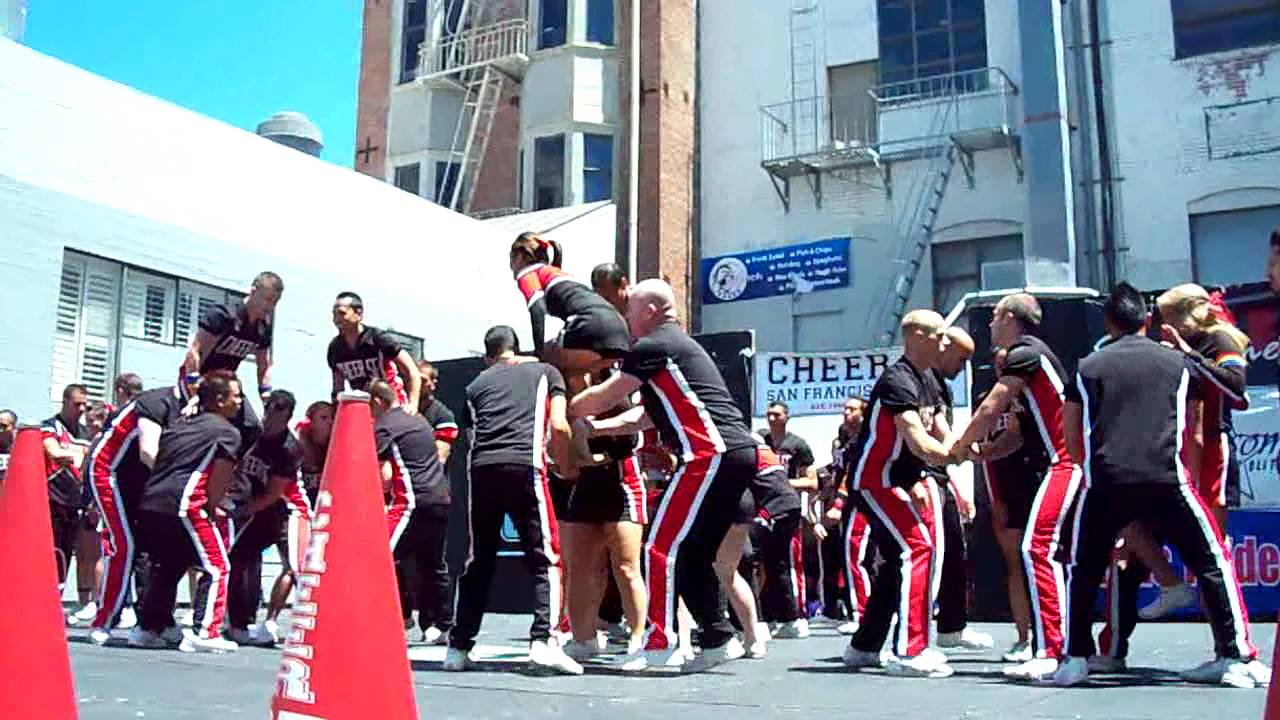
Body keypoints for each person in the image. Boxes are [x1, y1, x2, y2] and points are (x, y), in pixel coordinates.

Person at [1050, 283, 1269, 689]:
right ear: (1147, 321)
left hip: (1107, 480)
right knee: (1212, 562)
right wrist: (1183, 474)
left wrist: (1093, 470)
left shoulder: (1087, 366)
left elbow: (1072, 434)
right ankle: (1235, 657)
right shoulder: (1178, 365)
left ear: (1108, 323)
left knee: (1083, 567)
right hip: (1167, 478)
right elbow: (1191, 430)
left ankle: (1075, 659)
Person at [571, 279, 760, 673]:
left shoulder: (653, 346)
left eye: (631, 312)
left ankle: (661, 643)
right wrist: (598, 429)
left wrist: (569, 405)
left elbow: (606, 396)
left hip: (709, 454)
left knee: (660, 547)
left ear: (651, 311)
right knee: (693, 553)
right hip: (732, 453)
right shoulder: (673, 351)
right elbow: (644, 415)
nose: (627, 319)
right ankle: (716, 638)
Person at [949, 293, 1077, 682]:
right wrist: (982, 452)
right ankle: (1063, 645)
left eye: (993, 318)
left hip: (1065, 462)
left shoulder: (1025, 352)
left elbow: (991, 407)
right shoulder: (1032, 358)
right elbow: (1017, 436)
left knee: (1036, 550)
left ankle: (1052, 650)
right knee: (1048, 556)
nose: (989, 325)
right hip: (1054, 464)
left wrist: (955, 448)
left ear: (1008, 317)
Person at [445, 326, 580, 675]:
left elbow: (471, 435)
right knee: (545, 558)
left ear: (489, 356)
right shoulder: (546, 373)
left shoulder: (475, 385)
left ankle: (457, 648)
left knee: (478, 560)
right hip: (525, 464)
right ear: (517, 350)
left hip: (482, 470)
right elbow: (560, 426)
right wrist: (566, 467)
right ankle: (543, 642)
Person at [840, 310, 954, 679]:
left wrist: (968, 448)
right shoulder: (897, 380)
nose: (945, 342)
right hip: (874, 481)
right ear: (918, 336)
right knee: (917, 548)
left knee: (894, 565)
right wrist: (958, 454)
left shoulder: (930, 378)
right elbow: (918, 441)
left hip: (896, 480)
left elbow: (941, 431)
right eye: (939, 335)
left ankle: (863, 646)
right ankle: (910, 650)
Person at [133, 371, 243, 653]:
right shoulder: (227, 432)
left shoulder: (180, 424)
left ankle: (147, 629)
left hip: (152, 502)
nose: (240, 402)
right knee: (218, 566)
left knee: (170, 566)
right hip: (185, 503)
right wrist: (211, 506)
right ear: (220, 400)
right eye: (236, 395)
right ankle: (205, 632)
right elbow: (218, 480)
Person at [84, 380, 184, 645]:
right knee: (125, 546)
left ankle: (156, 619)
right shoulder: (157, 403)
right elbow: (148, 452)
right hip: (110, 472)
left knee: (158, 548)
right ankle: (104, 619)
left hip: (142, 479)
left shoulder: (197, 411)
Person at [371, 379, 454, 646]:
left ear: (376, 402)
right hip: (439, 498)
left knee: (380, 557)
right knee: (434, 565)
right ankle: (443, 626)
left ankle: (393, 619)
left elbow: (383, 476)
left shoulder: (384, 426)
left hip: (409, 501)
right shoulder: (419, 421)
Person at [928, 327, 993, 653]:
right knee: (926, 556)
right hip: (917, 478)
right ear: (943, 346)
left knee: (954, 550)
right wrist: (964, 446)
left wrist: (959, 488)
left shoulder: (941, 384)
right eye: (961, 358)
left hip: (939, 476)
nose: (962, 366)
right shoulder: (923, 379)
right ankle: (905, 637)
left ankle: (952, 628)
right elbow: (938, 428)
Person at [225, 390, 304, 648]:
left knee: (293, 565)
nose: (270, 419)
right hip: (244, 504)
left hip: (277, 510)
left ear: (288, 417)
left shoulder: (289, 449)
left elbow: (274, 493)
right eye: (268, 412)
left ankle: (265, 620)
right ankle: (236, 621)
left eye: (277, 415)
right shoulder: (253, 436)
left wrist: (246, 509)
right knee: (239, 559)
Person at [972, 351, 1036, 664]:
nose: (1002, 367)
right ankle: (1024, 637)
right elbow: (985, 446)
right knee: (1015, 563)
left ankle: (1056, 636)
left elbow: (1017, 438)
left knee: (1047, 561)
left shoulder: (1035, 397)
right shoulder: (988, 400)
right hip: (1006, 489)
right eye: (998, 362)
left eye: (1007, 362)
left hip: (1038, 481)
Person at [178, 272, 282, 435]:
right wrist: (194, 392)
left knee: (251, 429)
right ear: (253, 292)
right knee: (198, 426)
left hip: (225, 384)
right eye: (267, 299)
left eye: (275, 302)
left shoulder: (262, 328)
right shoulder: (223, 316)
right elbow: (195, 352)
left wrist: (266, 398)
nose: (270, 306)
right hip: (198, 380)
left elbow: (264, 365)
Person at [755, 401, 814, 639]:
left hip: (785, 506)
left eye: (776, 414)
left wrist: (781, 482)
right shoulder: (761, 440)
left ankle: (795, 615)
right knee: (764, 563)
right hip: (763, 508)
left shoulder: (797, 445)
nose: (771, 418)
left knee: (785, 562)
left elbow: (812, 481)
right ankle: (769, 616)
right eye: (768, 414)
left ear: (787, 417)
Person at [819, 398, 869, 634]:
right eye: (844, 410)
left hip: (863, 502)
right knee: (854, 557)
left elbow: (851, 476)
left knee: (856, 555)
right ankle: (860, 612)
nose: (845, 414)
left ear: (863, 413)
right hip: (853, 504)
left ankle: (862, 614)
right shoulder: (848, 445)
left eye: (851, 410)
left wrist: (839, 503)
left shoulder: (866, 440)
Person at [327, 291, 422, 411]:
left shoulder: (378, 338)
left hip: (393, 405)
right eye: (334, 315)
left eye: (342, 314)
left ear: (358, 314)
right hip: (364, 409)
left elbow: (411, 370)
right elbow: (337, 388)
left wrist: (413, 405)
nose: (336, 319)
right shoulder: (335, 348)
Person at [43, 383, 90, 616]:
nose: (82, 409)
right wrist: (79, 454)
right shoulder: (50, 427)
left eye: (85, 404)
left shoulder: (85, 433)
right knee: (51, 552)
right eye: (77, 404)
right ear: (65, 402)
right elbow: (54, 452)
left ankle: (57, 601)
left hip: (75, 502)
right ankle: (45, 599)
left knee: (67, 553)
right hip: (52, 499)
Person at [417, 360, 459, 464]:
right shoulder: (400, 411)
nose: (416, 383)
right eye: (412, 379)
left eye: (422, 380)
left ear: (433, 383)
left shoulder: (443, 416)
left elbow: (440, 458)